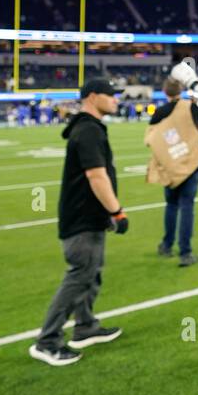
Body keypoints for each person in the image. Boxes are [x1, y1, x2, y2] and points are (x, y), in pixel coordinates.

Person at [30, 78, 125, 366]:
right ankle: (47, 341)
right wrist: (117, 211)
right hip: (81, 217)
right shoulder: (88, 130)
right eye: (111, 95)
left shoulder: (89, 128)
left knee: (91, 272)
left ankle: (85, 327)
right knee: (80, 275)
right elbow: (96, 175)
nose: (116, 100)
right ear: (93, 97)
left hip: (89, 216)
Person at [149, 77, 198, 267]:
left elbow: (152, 138)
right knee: (187, 206)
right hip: (190, 163)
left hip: (170, 165)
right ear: (180, 91)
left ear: (165, 92)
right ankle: (185, 252)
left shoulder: (159, 112)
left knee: (171, 205)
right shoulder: (190, 107)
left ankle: (166, 245)